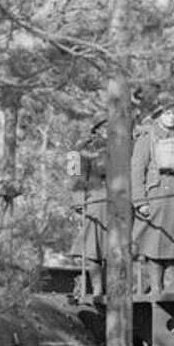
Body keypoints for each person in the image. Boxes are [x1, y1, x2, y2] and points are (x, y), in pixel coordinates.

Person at [131, 96, 174, 295]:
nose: (172, 117)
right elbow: (137, 169)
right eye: (168, 113)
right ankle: (156, 288)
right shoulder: (147, 138)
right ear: (158, 115)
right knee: (154, 241)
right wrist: (140, 201)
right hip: (158, 192)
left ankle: (171, 286)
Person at [69, 120, 108, 298]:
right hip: (95, 202)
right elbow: (74, 175)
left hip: (120, 203)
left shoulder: (124, 146)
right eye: (105, 126)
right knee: (93, 248)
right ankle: (98, 287)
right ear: (97, 128)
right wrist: (79, 203)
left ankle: (113, 285)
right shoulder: (80, 149)